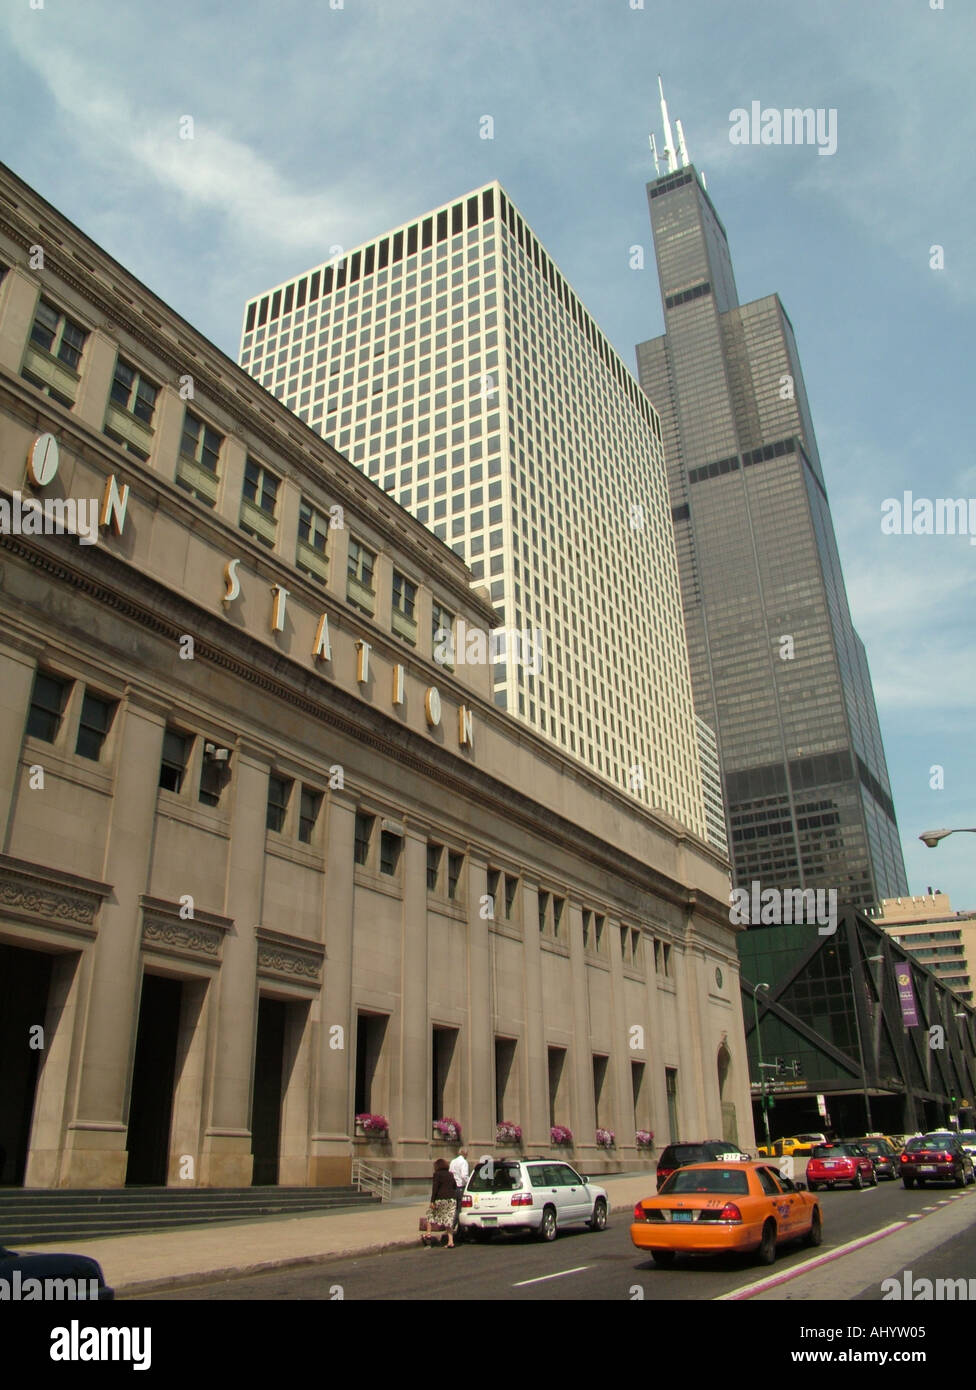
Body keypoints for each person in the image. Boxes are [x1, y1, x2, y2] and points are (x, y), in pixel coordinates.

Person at [425, 1158, 457, 1248]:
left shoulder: (437, 1174)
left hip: (440, 1198)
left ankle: (428, 1234)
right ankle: (451, 1242)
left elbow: (435, 1188)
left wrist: (432, 1201)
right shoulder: (451, 1174)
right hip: (451, 1200)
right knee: (448, 1220)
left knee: (430, 1215)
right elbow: (455, 1185)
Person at [449, 1147, 470, 1234]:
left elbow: (450, 1172)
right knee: (460, 1208)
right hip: (461, 1187)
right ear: (464, 1153)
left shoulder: (453, 1161)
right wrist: (469, 1183)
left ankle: (455, 1226)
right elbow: (464, 1175)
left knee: (454, 1207)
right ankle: (454, 1226)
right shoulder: (464, 1162)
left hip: (454, 1187)